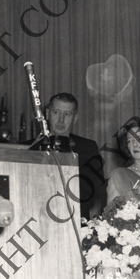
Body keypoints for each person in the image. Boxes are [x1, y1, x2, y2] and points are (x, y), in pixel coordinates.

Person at [39, 93, 104, 221]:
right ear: (47, 113)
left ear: (75, 118)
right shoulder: (29, 147)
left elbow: (97, 192)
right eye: (56, 112)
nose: (61, 120)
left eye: (67, 114)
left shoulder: (88, 148)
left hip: (76, 220)